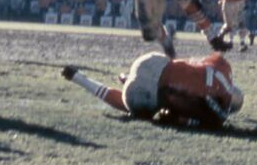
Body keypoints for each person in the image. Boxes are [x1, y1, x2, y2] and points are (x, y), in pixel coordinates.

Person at [62, 51, 243, 129]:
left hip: (151, 61)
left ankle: (127, 76)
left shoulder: (223, 67)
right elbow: (176, 118)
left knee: (172, 70)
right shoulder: (217, 116)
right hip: (146, 93)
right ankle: (79, 78)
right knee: (132, 107)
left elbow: (193, 63)